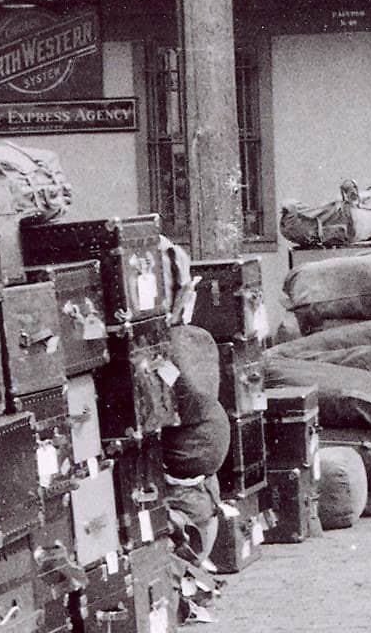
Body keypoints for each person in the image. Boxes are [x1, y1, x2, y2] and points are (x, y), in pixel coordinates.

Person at [159, 238, 231, 623]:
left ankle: (186, 579)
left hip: (191, 466)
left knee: (194, 512)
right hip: (198, 463)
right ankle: (188, 579)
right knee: (198, 512)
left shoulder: (176, 345)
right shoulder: (191, 340)